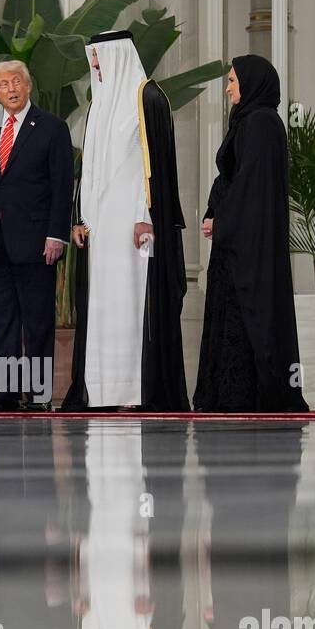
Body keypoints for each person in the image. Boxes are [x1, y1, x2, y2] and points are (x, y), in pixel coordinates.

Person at [62, 31, 189, 412]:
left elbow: (158, 167)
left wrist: (145, 216)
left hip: (134, 225)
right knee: (101, 305)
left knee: (131, 304)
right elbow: (90, 171)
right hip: (100, 227)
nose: (95, 64)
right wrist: (79, 219)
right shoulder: (98, 104)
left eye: (99, 57)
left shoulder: (148, 98)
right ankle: (102, 391)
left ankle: (134, 390)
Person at [193, 54, 310, 413]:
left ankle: (243, 397)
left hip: (248, 251)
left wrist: (222, 220)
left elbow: (250, 188)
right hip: (237, 247)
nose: (227, 88)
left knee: (248, 319)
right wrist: (216, 211)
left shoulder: (260, 123)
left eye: (232, 81)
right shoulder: (249, 123)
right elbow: (230, 180)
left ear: (251, 82)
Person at [0, 60, 74, 412]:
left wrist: (57, 234)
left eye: (16, 82)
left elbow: (61, 186)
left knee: (37, 322)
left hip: (37, 242)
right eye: (3, 84)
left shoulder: (52, 128)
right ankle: (6, 395)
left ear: (28, 86)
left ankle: (38, 396)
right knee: (3, 321)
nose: (10, 89)